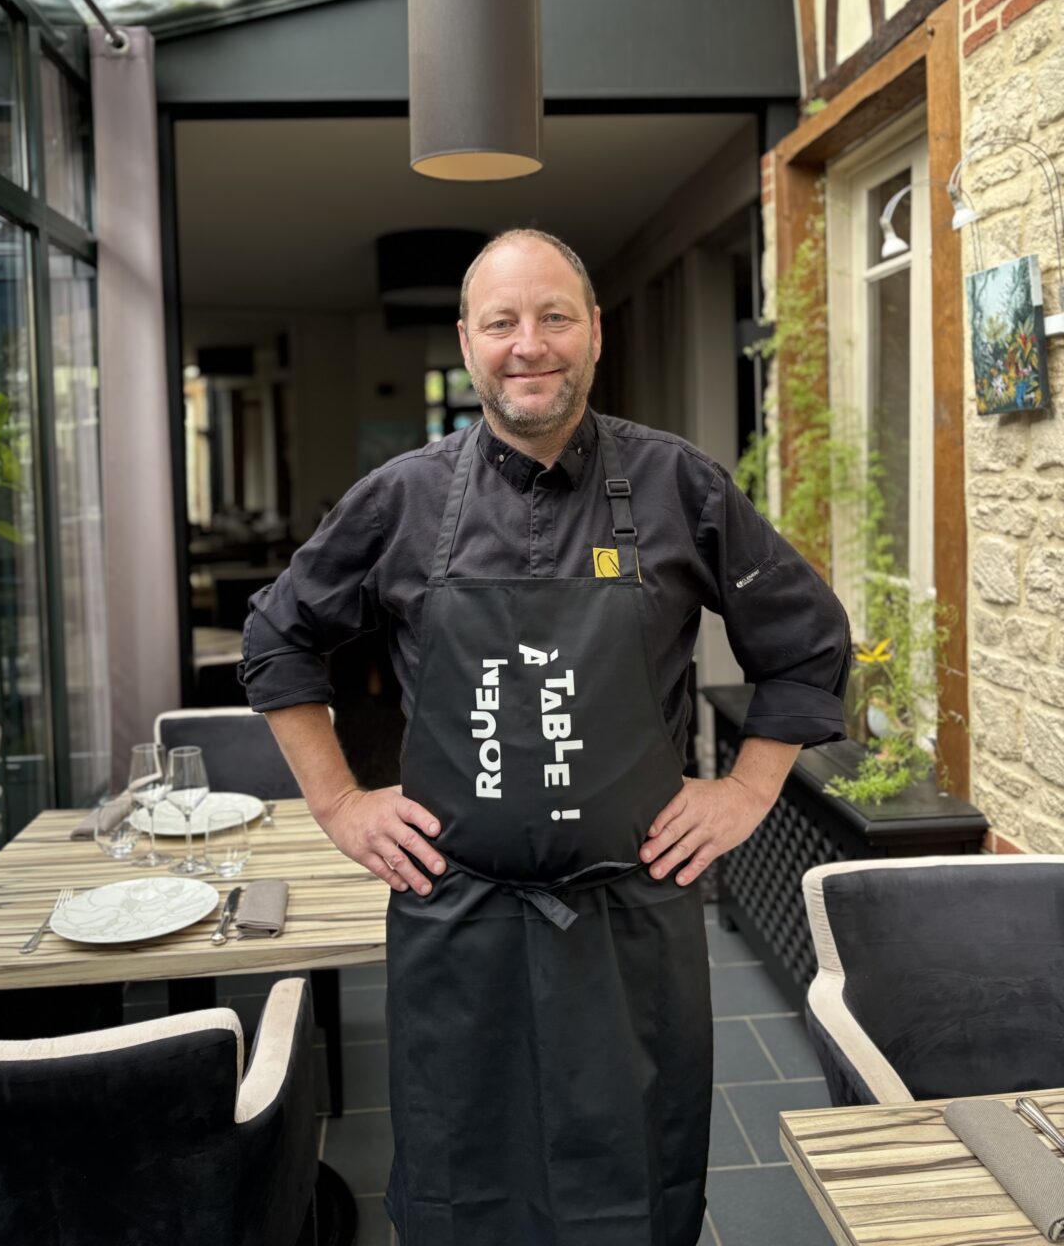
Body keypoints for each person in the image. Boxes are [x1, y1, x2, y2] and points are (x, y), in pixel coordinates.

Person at [240, 228, 850, 1246]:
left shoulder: (679, 487)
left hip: (631, 925)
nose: (531, 344)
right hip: (457, 925)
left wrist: (742, 793)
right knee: (462, 1190)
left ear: (595, 334)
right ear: (469, 341)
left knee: (638, 1186)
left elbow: (807, 641)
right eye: (503, 322)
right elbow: (277, 642)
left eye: (555, 316)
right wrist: (340, 804)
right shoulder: (400, 499)